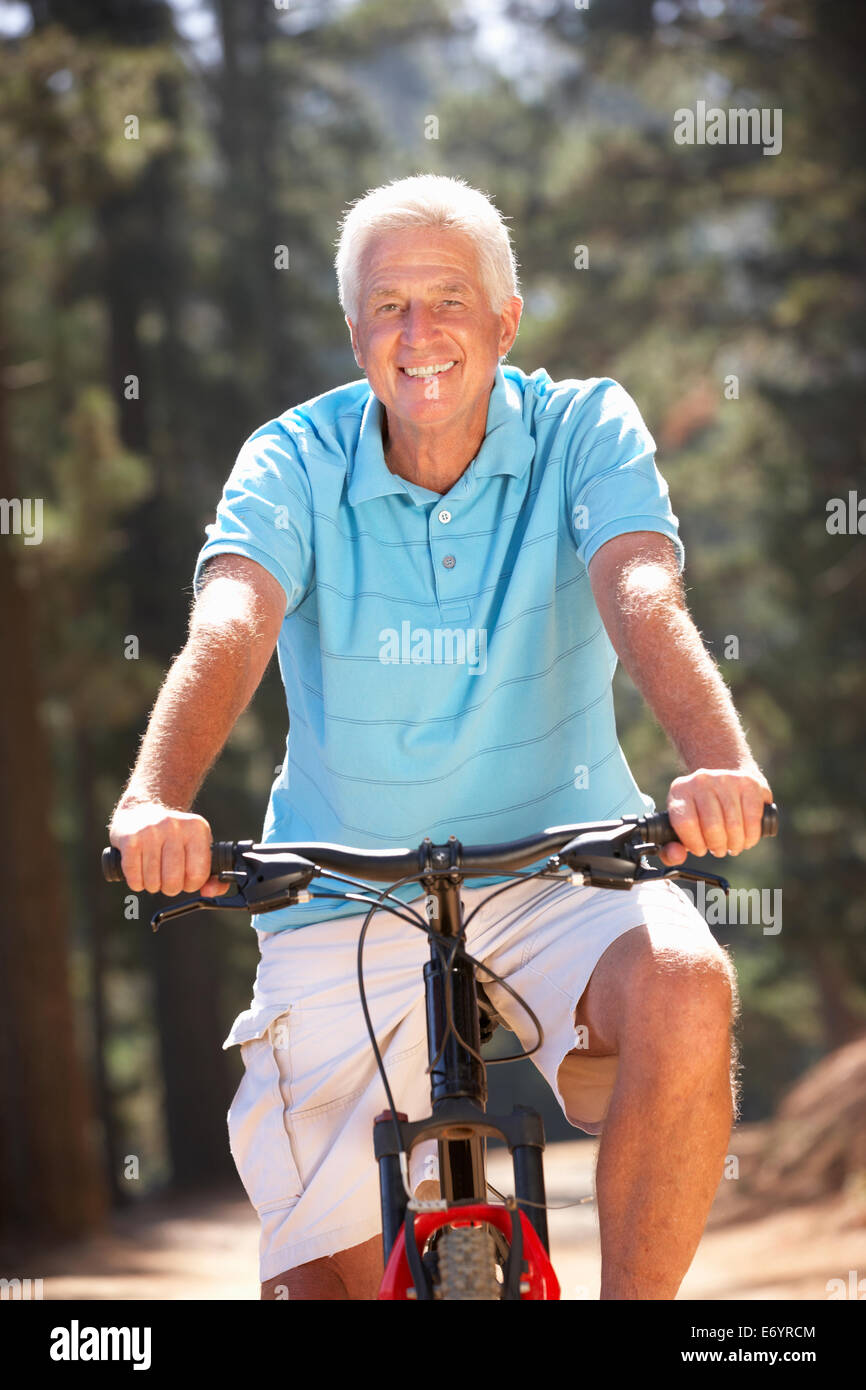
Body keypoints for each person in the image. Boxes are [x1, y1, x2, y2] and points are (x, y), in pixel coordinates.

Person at [109, 174, 773, 1300]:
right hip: (336, 885)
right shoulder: (293, 457)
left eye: (448, 300)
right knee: (320, 1290)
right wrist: (153, 796)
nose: (416, 335)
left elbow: (639, 590)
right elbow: (234, 619)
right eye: (385, 306)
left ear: (504, 321)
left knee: (682, 981)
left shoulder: (581, 428)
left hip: (564, 866)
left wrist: (717, 758)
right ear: (354, 330)